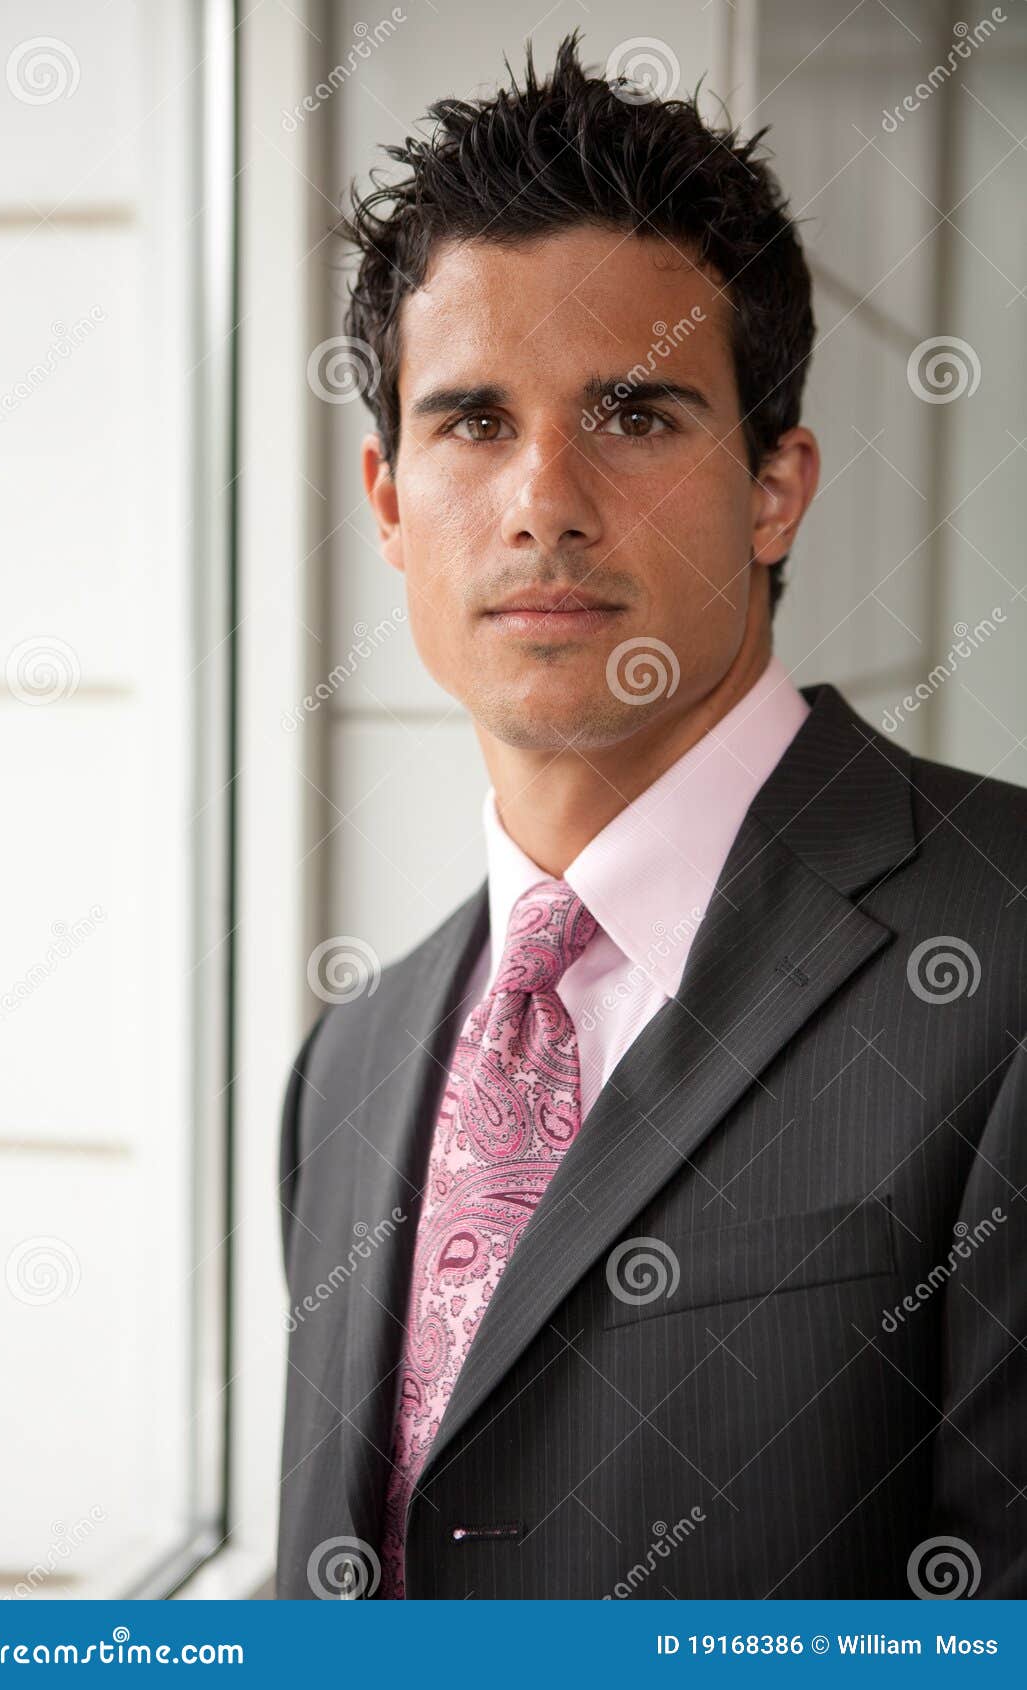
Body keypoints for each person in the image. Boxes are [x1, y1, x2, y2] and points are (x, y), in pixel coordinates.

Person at [276, 33, 1026, 1600]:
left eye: (633, 411)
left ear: (776, 485)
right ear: (390, 501)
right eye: (473, 420)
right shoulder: (347, 1067)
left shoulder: (1004, 954)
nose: (543, 494)